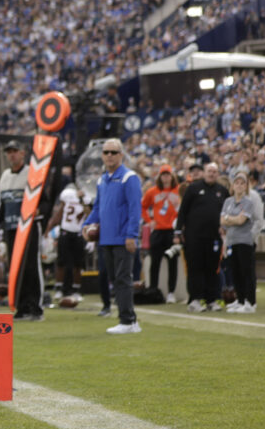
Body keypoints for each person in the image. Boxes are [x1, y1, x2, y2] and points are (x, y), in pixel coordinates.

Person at [81, 139, 142, 334]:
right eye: (106, 152)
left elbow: (135, 209)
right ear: (101, 155)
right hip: (106, 238)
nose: (109, 155)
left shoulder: (129, 178)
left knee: (123, 278)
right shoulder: (102, 180)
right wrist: (86, 225)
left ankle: (128, 321)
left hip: (122, 237)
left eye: (113, 152)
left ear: (121, 155)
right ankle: (128, 319)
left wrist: (132, 235)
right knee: (115, 279)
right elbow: (98, 208)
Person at [175, 162, 229, 312]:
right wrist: (178, 231)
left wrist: (225, 228)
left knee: (212, 268)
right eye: (209, 171)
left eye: (214, 171)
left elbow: (227, 212)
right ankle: (195, 299)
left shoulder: (222, 191)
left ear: (218, 174)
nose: (211, 174)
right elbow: (183, 211)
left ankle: (212, 299)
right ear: (204, 173)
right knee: (195, 268)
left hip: (214, 238)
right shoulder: (193, 188)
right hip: (194, 237)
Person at [0, 139, 42, 320]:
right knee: (16, 268)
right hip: (11, 226)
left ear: (23, 153)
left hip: (28, 226)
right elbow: (4, 203)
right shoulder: (4, 176)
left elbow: (42, 198)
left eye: (15, 151)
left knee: (31, 266)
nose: (12, 155)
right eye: (9, 152)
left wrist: (39, 210)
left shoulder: (31, 174)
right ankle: (21, 306)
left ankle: (35, 307)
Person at [219, 170, 263, 313]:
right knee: (235, 271)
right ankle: (240, 299)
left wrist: (229, 218)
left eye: (242, 183)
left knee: (246, 272)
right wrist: (233, 219)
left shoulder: (248, 202)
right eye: (236, 183)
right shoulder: (228, 201)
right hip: (231, 240)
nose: (239, 186)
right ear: (233, 186)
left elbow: (241, 220)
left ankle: (250, 302)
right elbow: (222, 222)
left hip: (244, 240)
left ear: (246, 186)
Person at [141, 164, 181, 302]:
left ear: (172, 176)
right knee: (155, 262)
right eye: (163, 174)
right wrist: (149, 220)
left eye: (167, 174)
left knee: (172, 263)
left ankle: (171, 292)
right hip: (157, 231)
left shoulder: (178, 190)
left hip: (172, 231)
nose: (165, 177)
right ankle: (153, 289)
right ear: (160, 176)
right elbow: (143, 206)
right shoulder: (152, 191)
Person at [49, 182, 88, 304]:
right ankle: (59, 288)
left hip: (78, 233)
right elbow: (60, 212)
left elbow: (89, 213)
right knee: (61, 262)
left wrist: (81, 198)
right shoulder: (67, 195)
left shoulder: (86, 197)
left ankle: (76, 290)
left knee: (78, 264)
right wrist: (49, 228)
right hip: (66, 231)